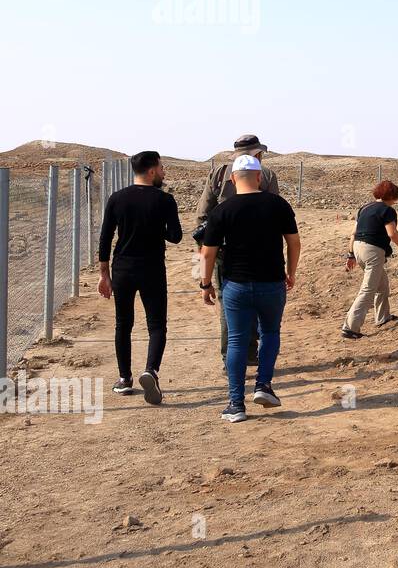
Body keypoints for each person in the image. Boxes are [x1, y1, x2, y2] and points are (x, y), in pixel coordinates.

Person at [199, 155, 300, 424]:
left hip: (236, 285)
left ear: (233, 179)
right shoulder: (278, 204)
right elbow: (294, 242)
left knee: (236, 340)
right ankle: (263, 386)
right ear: (259, 177)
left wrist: (206, 283)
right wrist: (290, 272)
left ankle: (235, 404)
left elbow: (207, 253)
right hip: (271, 283)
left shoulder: (222, 210)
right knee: (270, 332)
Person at [97, 151, 182, 404]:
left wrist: (104, 275)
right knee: (156, 324)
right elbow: (176, 236)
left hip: (122, 269)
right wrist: (156, 228)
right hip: (152, 269)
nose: (164, 172)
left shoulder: (117, 198)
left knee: (123, 324)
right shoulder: (165, 200)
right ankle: (151, 370)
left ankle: (124, 379)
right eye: (162, 167)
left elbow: (105, 238)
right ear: (152, 170)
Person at [196, 133, 280, 365]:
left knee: (229, 306)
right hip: (262, 254)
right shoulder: (267, 175)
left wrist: (204, 251)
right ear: (256, 154)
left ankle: (230, 357)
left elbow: (202, 215)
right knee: (259, 303)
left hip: (224, 252)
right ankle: (252, 355)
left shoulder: (218, 173)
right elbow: (274, 212)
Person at [341, 180, 398, 340]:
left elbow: (353, 233)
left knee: (382, 285)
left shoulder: (364, 208)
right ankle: (350, 327)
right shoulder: (387, 210)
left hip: (358, 248)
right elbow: (392, 234)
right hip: (373, 251)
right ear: (392, 196)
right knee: (368, 289)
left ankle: (383, 317)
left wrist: (350, 255)